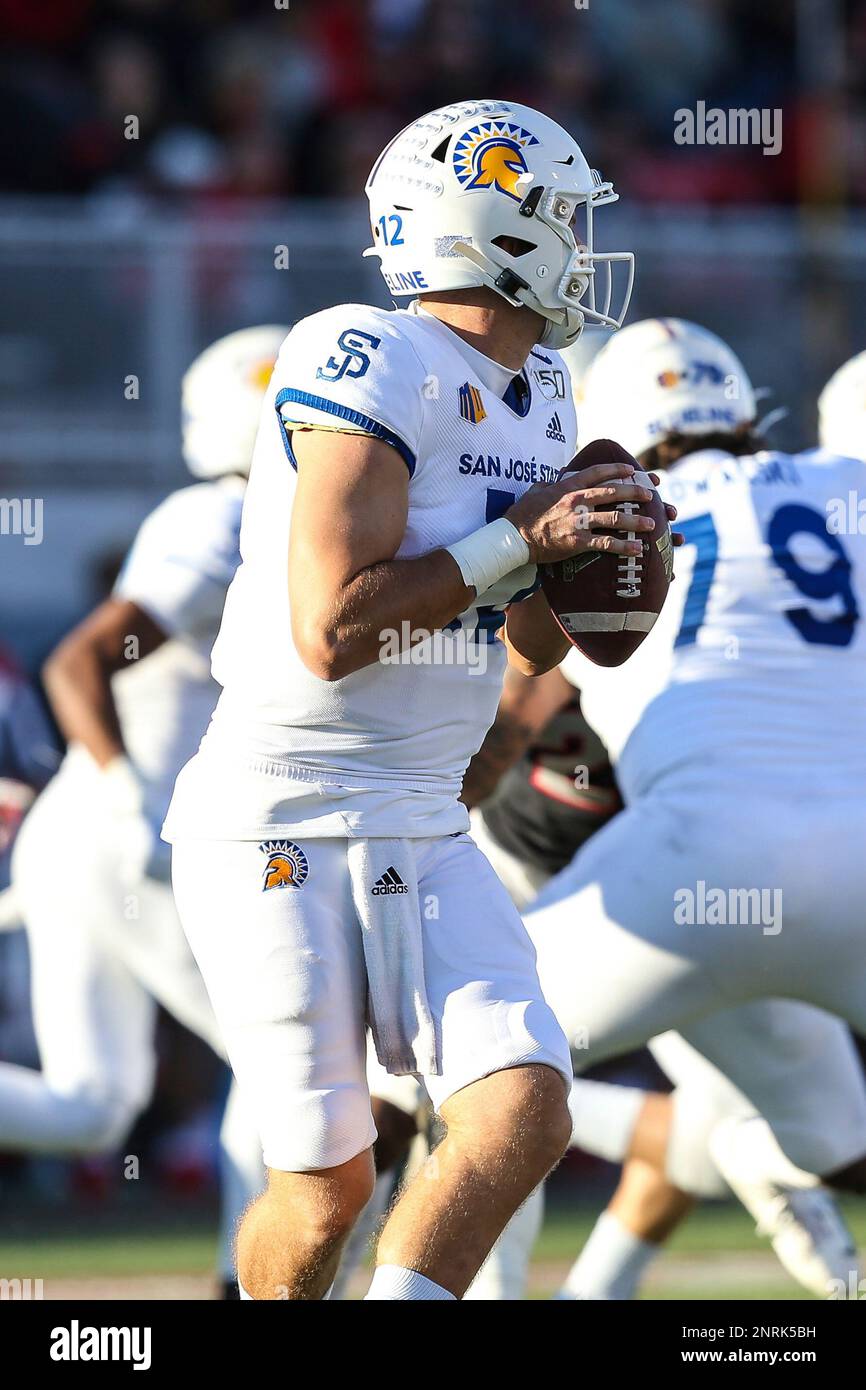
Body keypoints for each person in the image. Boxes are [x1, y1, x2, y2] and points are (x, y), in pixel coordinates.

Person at [161, 97, 671, 1302]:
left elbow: (539, 639)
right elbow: (330, 626)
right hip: (276, 822)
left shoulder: (545, 385)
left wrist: (606, 553)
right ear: (488, 226)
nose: (580, 243)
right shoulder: (365, 349)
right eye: (558, 214)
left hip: (422, 813)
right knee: (324, 1185)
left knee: (521, 1113)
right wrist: (520, 538)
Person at [514, 317, 866, 1299]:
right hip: (855, 860)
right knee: (842, 1144)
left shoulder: (598, 518)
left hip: (687, 859)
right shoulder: (845, 486)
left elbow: (513, 702)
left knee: (442, 1057)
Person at [4, 326, 288, 1297]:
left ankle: (241, 1277)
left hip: (92, 830)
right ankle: (243, 1281)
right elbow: (78, 660)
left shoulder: (243, 515)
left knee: (89, 1108)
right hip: (128, 827)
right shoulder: (223, 518)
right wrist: (134, 797)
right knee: (281, 1046)